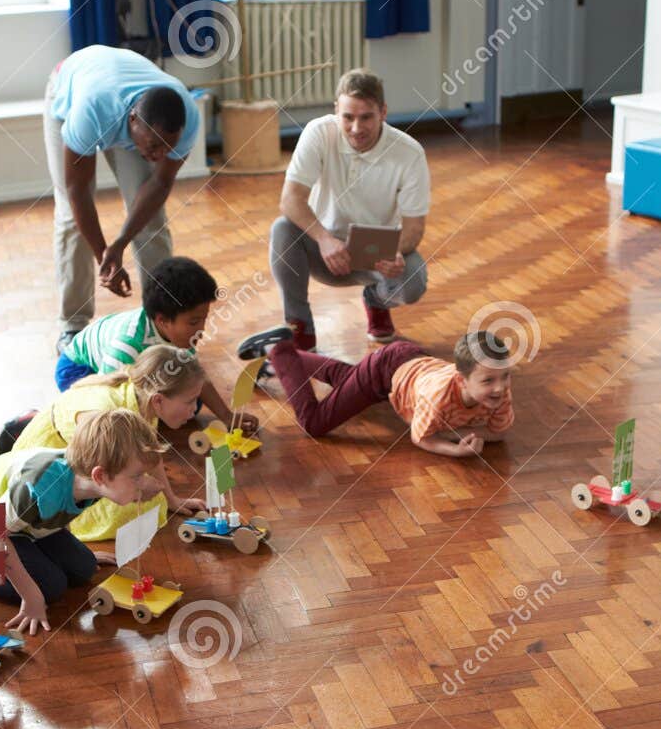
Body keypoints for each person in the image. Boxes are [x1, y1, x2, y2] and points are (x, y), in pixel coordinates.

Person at [250, 68, 430, 351]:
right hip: (323, 248)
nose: (356, 128)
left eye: (366, 117)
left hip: (376, 254)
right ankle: (300, 328)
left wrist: (396, 249)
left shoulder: (410, 153)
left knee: (414, 280)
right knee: (282, 230)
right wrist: (323, 238)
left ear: (383, 112)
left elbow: (415, 227)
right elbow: (290, 199)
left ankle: (376, 300)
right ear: (337, 111)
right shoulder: (318, 132)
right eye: (348, 117)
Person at [0, 408, 165, 631]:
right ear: (100, 476)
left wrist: (73, 550)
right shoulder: (39, 490)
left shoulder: (94, 481)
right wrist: (31, 597)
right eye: (137, 476)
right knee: (50, 587)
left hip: (24, 526)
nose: (144, 482)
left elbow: (63, 511)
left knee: (84, 567)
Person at [44, 45, 201, 341]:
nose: (159, 155)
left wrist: (121, 242)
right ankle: (73, 325)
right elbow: (77, 189)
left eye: (167, 147)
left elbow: (160, 184)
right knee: (70, 217)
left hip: (120, 90)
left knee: (150, 220)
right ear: (133, 121)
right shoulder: (91, 111)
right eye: (153, 146)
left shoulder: (186, 120)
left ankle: (160, 320)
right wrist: (106, 257)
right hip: (70, 86)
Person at [1, 345, 208, 542]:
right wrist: (141, 486)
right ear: (158, 400)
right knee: (134, 511)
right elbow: (98, 474)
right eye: (190, 401)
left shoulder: (144, 400)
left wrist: (172, 499)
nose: (194, 409)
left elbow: (150, 453)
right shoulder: (102, 414)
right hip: (44, 472)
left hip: (87, 466)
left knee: (151, 500)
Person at [52, 256, 257, 434]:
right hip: (80, 370)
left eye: (204, 319)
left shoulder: (181, 335)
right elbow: (106, 396)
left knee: (190, 400)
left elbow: (197, 377)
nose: (202, 329)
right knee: (131, 415)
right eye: (194, 322)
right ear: (163, 321)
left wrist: (227, 416)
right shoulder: (127, 344)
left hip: (136, 370)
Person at [239, 327, 514, 456]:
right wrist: (456, 450)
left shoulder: (500, 392)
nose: (499, 388)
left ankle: (279, 364)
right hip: (383, 370)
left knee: (345, 381)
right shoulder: (438, 397)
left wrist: (472, 435)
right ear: (462, 380)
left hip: (408, 365)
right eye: (488, 381)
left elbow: (499, 433)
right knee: (314, 423)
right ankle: (279, 350)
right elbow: (421, 438)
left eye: (504, 377)